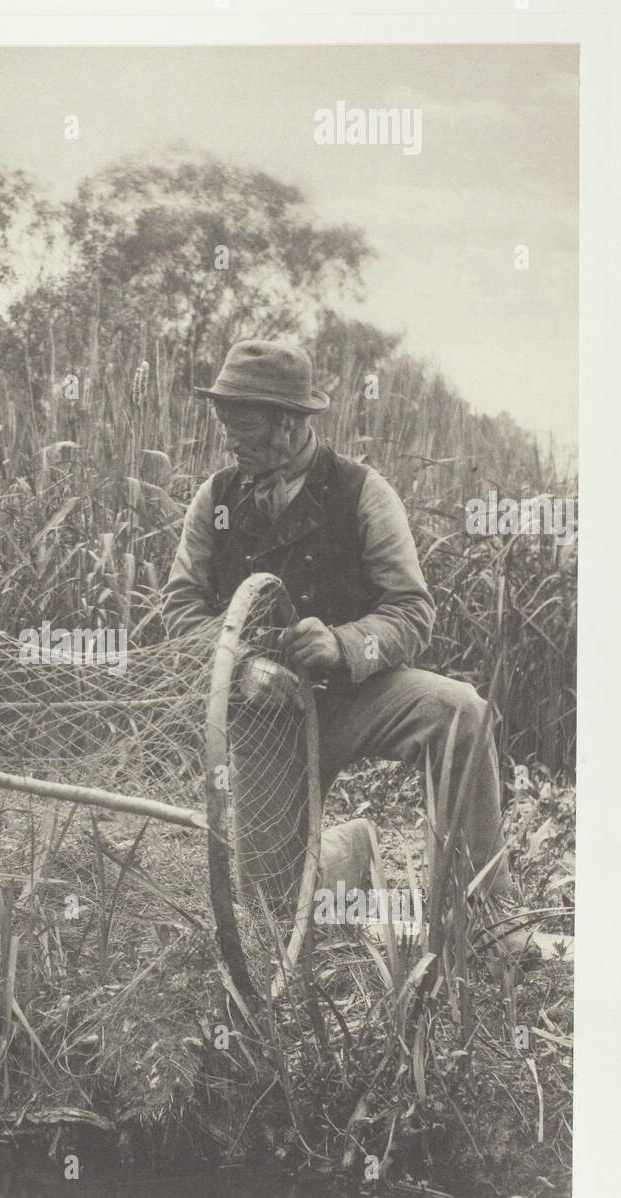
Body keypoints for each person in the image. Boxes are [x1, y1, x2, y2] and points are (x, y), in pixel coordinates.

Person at [162, 339, 538, 962]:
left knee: (460, 712)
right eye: (224, 423)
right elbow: (180, 610)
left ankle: (485, 916)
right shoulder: (216, 501)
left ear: (287, 424)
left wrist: (342, 643)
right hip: (266, 715)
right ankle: (349, 849)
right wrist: (244, 666)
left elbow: (412, 611)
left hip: (359, 693)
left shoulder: (364, 492)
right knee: (273, 916)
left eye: (242, 425)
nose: (228, 440)